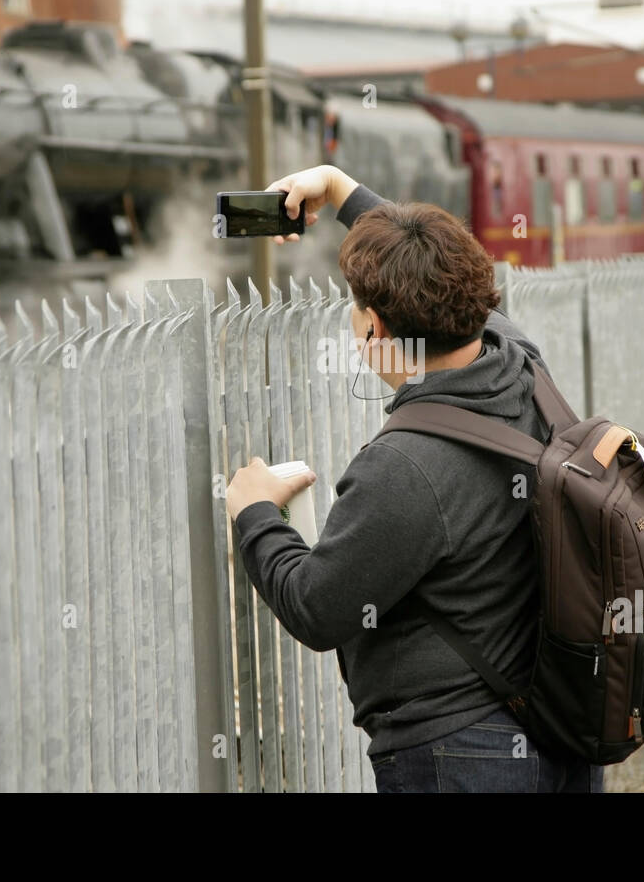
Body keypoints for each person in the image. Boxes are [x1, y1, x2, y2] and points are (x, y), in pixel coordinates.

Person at [224, 163, 602, 793]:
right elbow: (438, 273)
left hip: (460, 755)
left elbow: (319, 608)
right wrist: (341, 190)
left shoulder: (404, 467)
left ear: (374, 329)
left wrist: (256, 514)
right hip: (556, 725)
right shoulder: (519, 365)